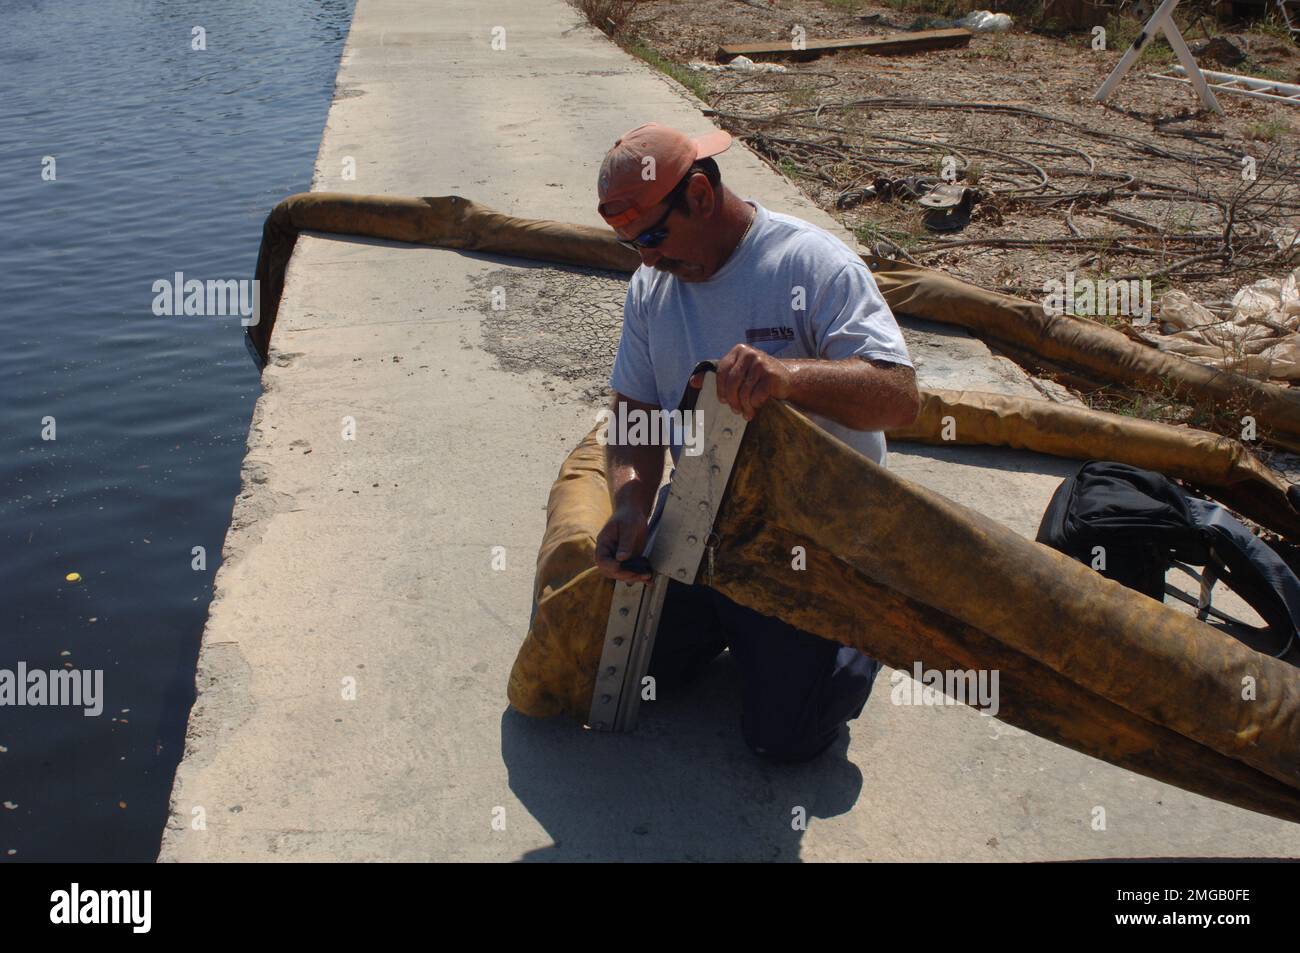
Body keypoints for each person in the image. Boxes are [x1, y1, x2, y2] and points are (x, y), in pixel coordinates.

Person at [593, 122, 920, 762]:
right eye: (633, 246)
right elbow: (635, 411)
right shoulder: (651, 288)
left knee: (783, 739)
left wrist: (789, 378)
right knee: (640, 673)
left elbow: (899, 397)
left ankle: (861, 622)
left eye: (653, 237)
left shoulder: (809, 264)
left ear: (700, 196)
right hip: (704, 514)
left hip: (813, 530)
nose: (648, 259)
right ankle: (734, 617)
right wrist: (630, 501)